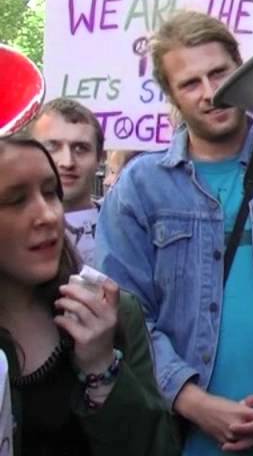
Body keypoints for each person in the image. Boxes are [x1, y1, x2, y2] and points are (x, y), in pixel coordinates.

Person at [98, 11, 253, 455]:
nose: (211, 93)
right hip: (186, 440)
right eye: (190, 83)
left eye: (219, 73)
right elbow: (126, 317)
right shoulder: (139, 189)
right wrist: (193, 401)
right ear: (171, 95)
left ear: (242, 67)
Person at [0, 135, 179, 455]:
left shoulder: (115, 313)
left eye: (50, 193)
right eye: (15, 200)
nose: (48, 215)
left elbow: (158, 447)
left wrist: (102, 366)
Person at [28, 98, 105, 265]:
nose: (67, 162)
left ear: (100, 158)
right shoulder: (10, 232)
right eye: (52, 147)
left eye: (80, 148)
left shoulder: (124, 229)